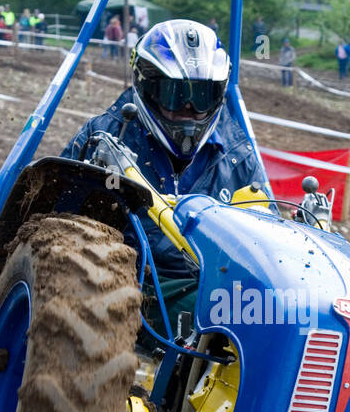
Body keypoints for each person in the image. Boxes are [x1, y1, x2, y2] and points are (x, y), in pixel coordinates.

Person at [61, 19, 265, 302]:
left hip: (209, 293)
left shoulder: (238, 155)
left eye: (202, 97)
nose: (189, 110)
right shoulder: (102, 137)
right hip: (119, 287)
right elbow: (55, 230)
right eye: (176, 95)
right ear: (148, 90)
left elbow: (264, 239)